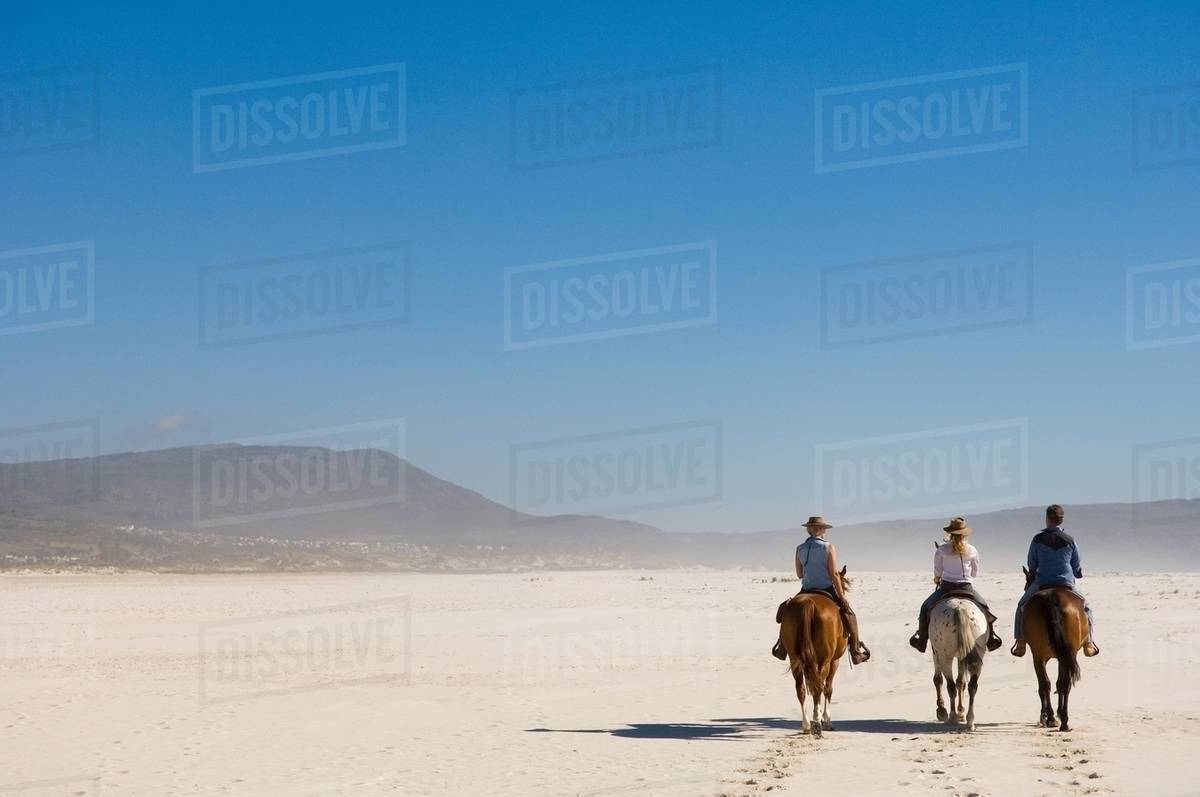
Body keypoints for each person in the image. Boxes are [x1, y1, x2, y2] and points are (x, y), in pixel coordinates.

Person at [772, 516, 871, 665]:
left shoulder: (800, 548)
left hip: (806, 589)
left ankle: (782, 648)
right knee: (849, 613)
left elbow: (799, 574)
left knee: (787, 610)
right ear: (822, 530)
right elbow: (834, 573)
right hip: (826, 588)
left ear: (809, 529)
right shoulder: (828, 547)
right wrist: (842, 596)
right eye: (824, 528)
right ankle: (856, 652)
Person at [1011, 504, 1100, 658]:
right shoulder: (1070, 540)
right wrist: (1077, 573)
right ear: (1061, 520)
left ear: (1047, 519)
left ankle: (1020, 642)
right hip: (1066, 583)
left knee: (1021, 607)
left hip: (1042, 583)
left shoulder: (1037, 540)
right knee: (1086, 607)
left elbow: (1032, 564)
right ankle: (1089, 643)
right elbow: (1076, 565)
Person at [907, 517, 1003, 653]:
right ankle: (991, 639)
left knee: (925, 608)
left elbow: (938, 572)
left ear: (950, 533)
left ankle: (922, 641)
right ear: (965, 533)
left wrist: (936, 579)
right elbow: (975, 573)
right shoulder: (972, 550)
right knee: (985, 607)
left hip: (946, 587)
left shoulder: (942, 550)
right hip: (967, 588)